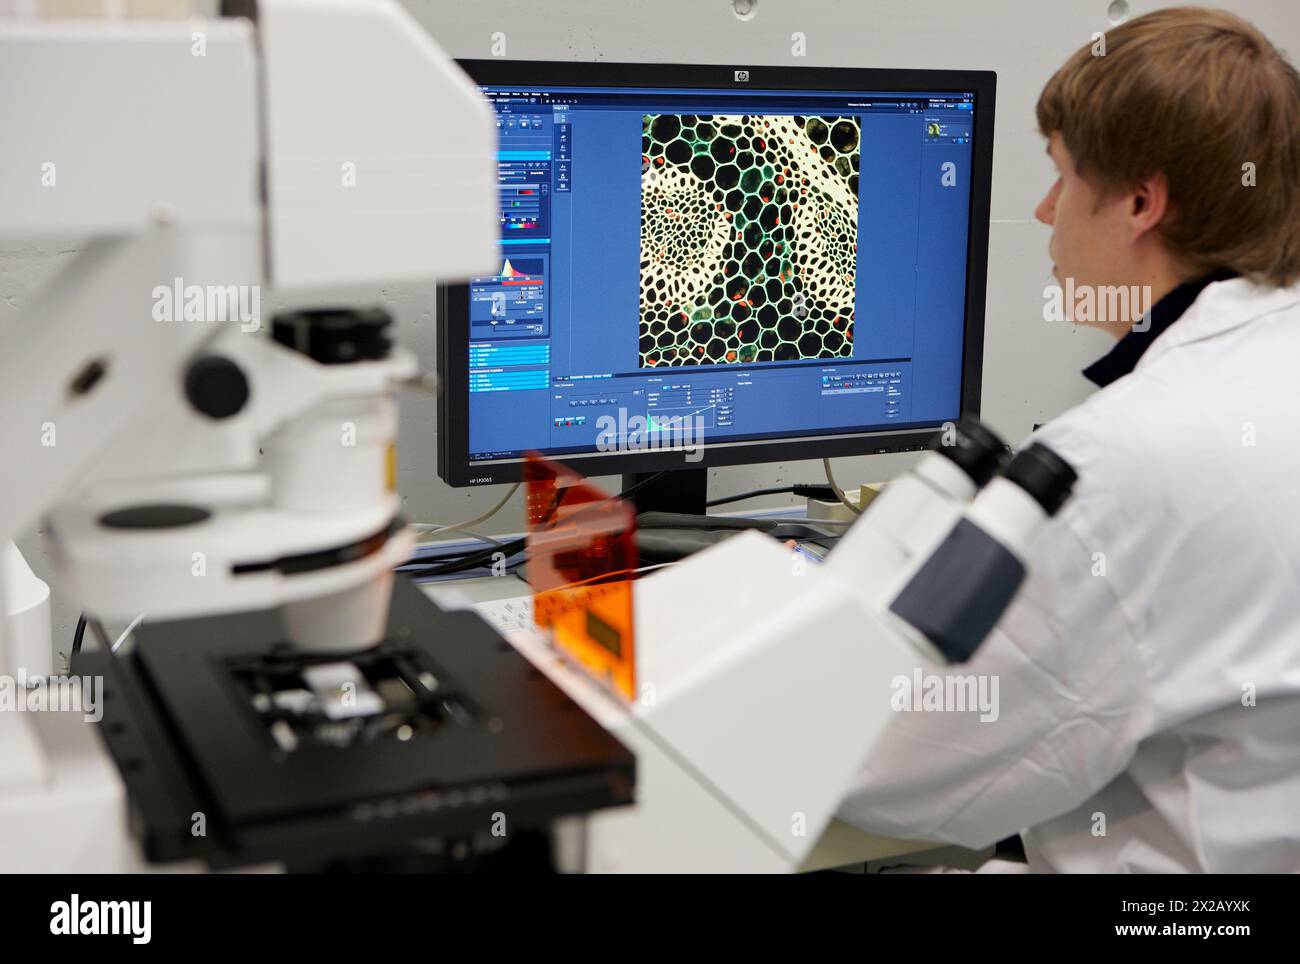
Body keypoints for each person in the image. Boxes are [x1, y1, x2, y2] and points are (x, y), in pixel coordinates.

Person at [837, 6, 1300, 872]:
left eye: (1060, 176)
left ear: (1138, 201)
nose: (1045, 211)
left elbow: (889, 768)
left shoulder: (1126, 456)